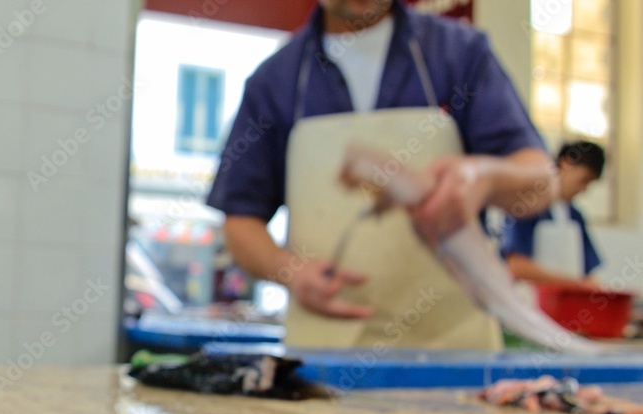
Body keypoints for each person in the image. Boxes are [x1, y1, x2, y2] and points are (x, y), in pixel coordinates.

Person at [206, 0, 558, 349]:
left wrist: (483, 176)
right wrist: (289, 270)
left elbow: (540, 180)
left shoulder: (459, 54)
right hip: (323, 353)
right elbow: (240, 222)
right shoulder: (275, 81)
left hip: (453, 352)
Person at [499, 141, 605, 288]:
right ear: (566, 163)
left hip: (565, 305)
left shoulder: (575, 217)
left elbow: (586, 273)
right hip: (528, 301)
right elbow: (517, 266)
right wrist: (573, 285)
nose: (584, 189)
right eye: (583, 180)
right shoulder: (527, 205)